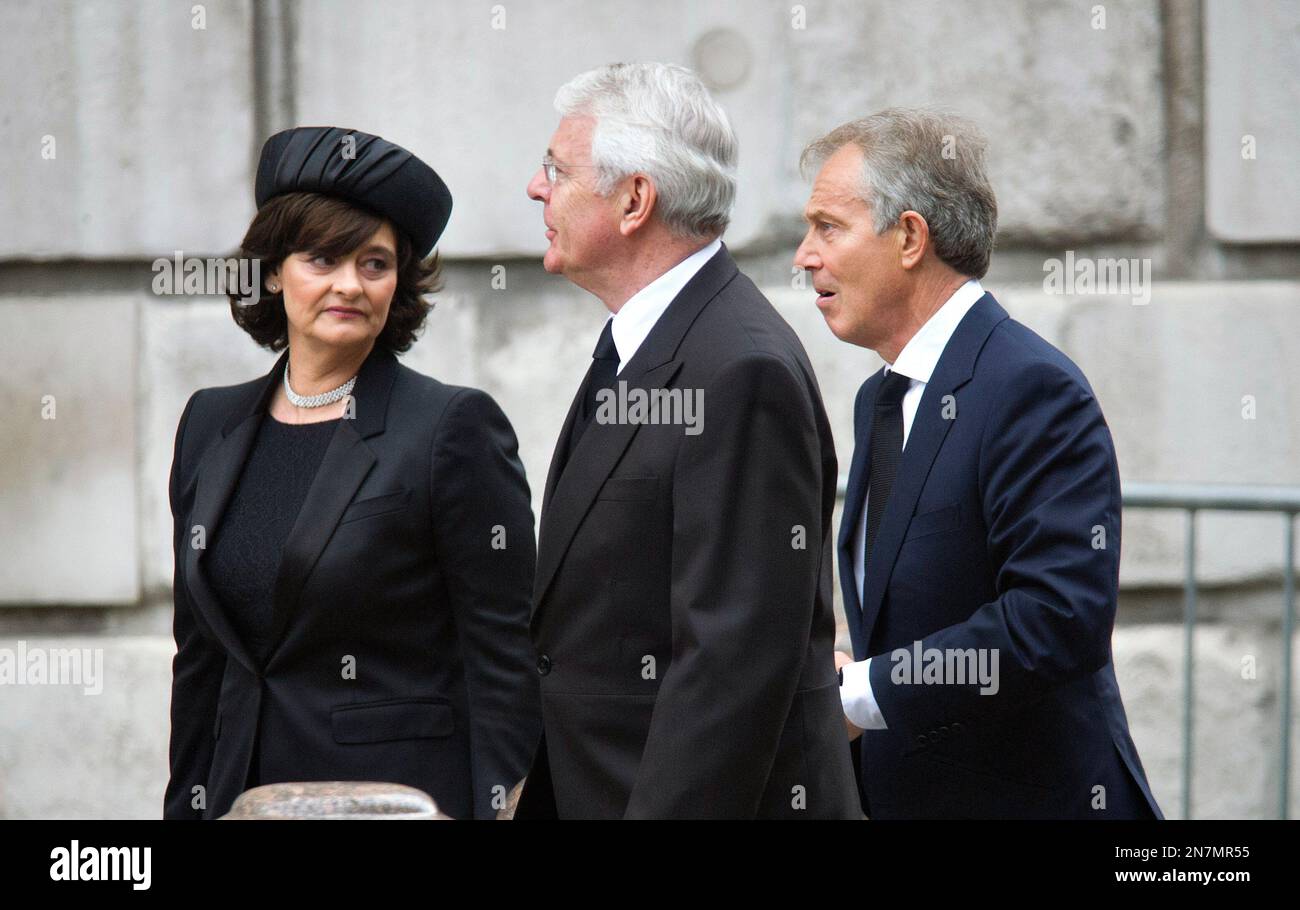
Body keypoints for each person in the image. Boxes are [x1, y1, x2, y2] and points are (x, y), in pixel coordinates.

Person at [514, 63, 859, 819]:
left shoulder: (739, 369)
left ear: (634, 199)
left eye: (556, 171)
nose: (537, 190)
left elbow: (731, 665)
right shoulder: (650, 340)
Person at [795, 109, 1163, 819]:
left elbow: (1055, 618)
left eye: (828, 227)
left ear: (908, 237)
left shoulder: (1028, 386)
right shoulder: (883, 395)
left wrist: (864, 694)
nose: (805, 255)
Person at [164, 126, 540, 820]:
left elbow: (504, 664)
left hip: (397, 804)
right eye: (322, 258)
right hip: (239, 801)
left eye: (374, 264)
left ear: (398, 285)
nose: (349, 284)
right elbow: (199, 665)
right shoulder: (208, 426)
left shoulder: (451, 428)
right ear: (274, 270)